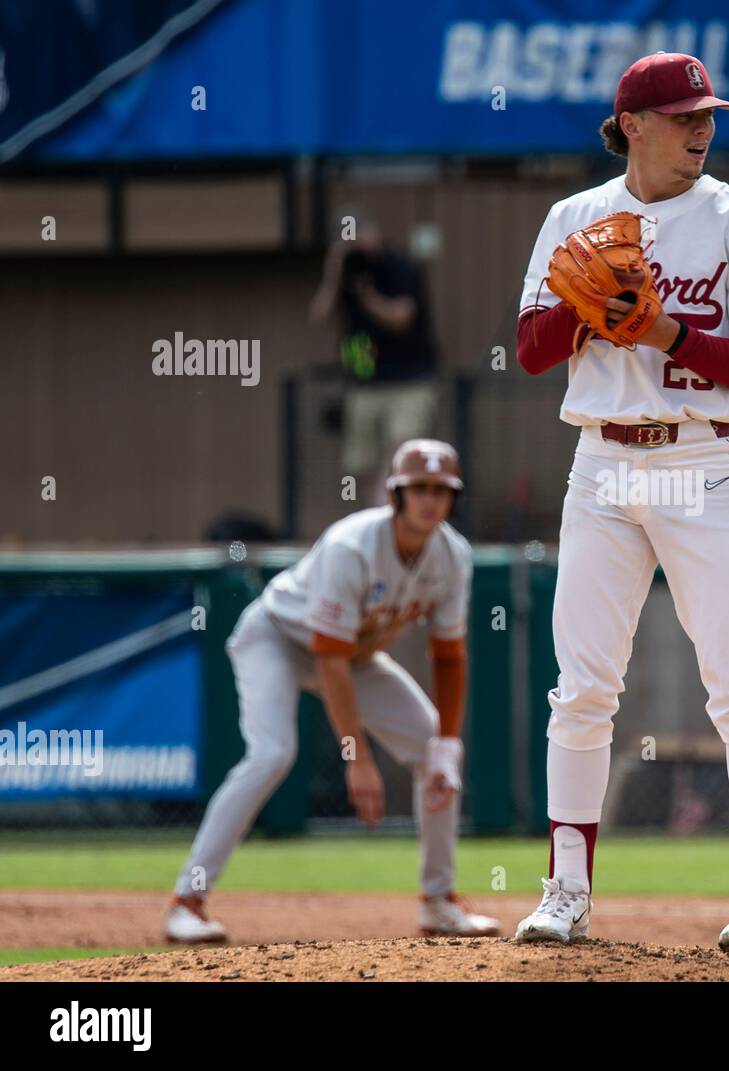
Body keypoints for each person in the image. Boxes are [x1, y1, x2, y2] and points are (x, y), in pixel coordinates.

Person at [513, 52, 729, 954]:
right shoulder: (575, 217)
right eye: (683, 116)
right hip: (601, 462)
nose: (703, 129)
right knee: (582, 690)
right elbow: (528, 348)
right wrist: (594, 309)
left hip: (701, 460)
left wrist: (663, 328)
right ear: (631, 124)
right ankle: (565, 890)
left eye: (708, 114)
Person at [163, 440, 498, 943]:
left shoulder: (453, 556)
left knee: (431, 742)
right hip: (276, 639)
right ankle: (187, 900)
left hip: (354, 658)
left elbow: (448, 654)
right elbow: (328, 659)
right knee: (272, 754)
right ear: (395, 494)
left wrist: (449, 744)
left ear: (454, 499)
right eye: (418, 488)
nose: (430, 499)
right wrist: (356, 756)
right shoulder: (352, 546)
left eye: (441, 490)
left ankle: (438, 901)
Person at [309, 214, 439, 493]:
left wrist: (366, 295)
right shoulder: (345, 272)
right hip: (363, 374)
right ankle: (372, 514)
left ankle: (386, 510)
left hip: (409, 376)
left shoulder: (399, 265)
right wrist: (334, 274)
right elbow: (319, 317)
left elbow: (402, 317)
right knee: (361, 463)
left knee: (401, 450)